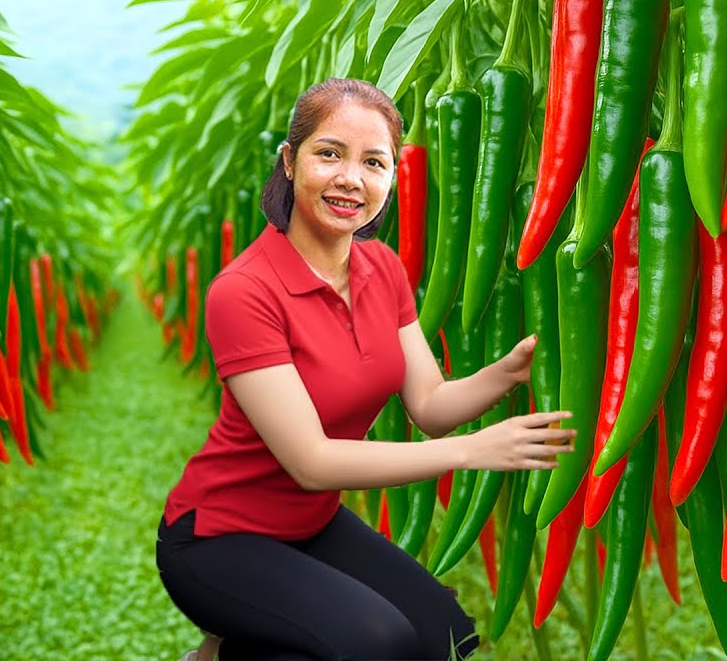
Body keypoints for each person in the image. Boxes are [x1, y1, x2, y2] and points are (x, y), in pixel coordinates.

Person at [155, 78, 577, 661]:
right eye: (330, 154)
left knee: (446, 636)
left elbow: (429, 406)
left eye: (374, 162)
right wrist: (473, 450)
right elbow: (311, 463)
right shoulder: (245, 291)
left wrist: (508, 371)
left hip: (308, 525)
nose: (351, 178)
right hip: (217, 537)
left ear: (392, 178)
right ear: (289, 161)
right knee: (380, 644)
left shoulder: (382, 268)